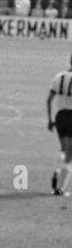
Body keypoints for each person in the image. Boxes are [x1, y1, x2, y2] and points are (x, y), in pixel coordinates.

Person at [47, 55, 72, 195]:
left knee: (63, 148)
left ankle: (56, 171)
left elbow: (48, 100)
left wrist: (50, 120)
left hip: (60, 116)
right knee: (70, 154)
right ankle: (59, 188)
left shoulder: (59, 76)